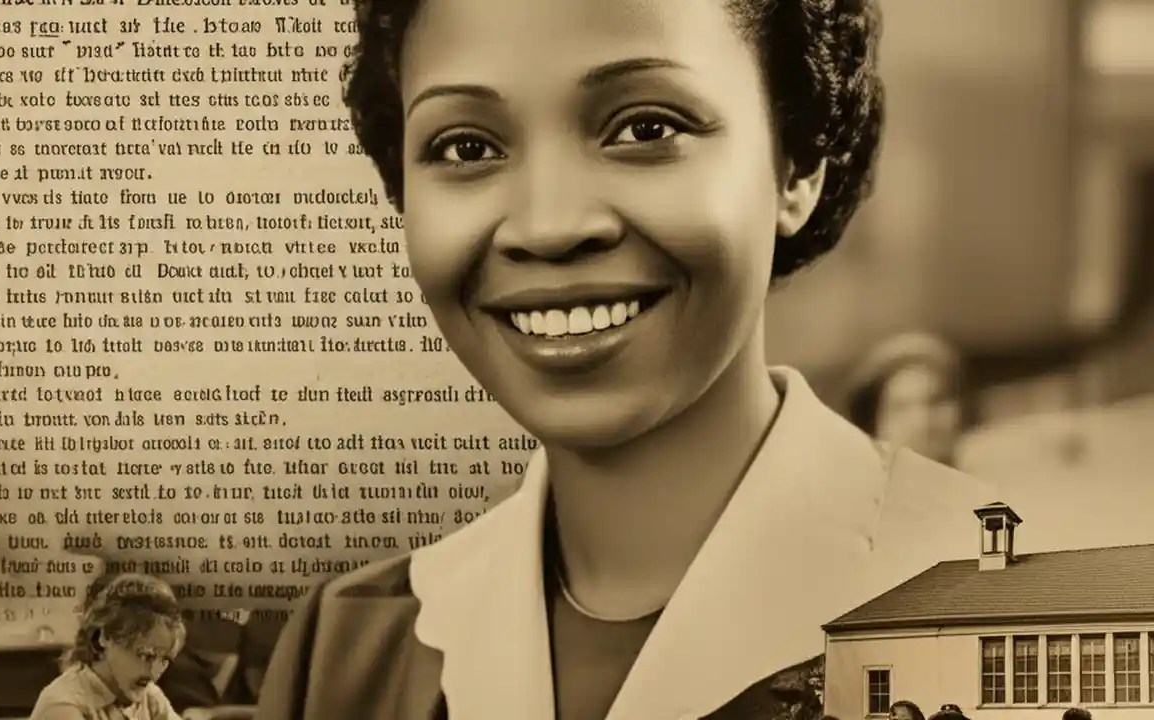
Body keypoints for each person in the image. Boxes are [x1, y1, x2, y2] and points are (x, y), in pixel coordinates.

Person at [258, 0, 995, 717]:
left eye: (646, 128)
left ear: (797, 166)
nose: (548, 227)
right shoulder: (346, 646)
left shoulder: (1002, 589)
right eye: (467, 147)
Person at [30, 573, 185, 720]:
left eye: (164, 660)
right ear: (105, 637)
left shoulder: (149, 698)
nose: (154, 673)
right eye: (145, 655)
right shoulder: (62, 706)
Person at [845, 332, 968, 466]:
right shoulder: (857, 485)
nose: (922, 422)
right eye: (900, 409)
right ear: (874, 427)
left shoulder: (985, 482)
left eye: (936, 402)